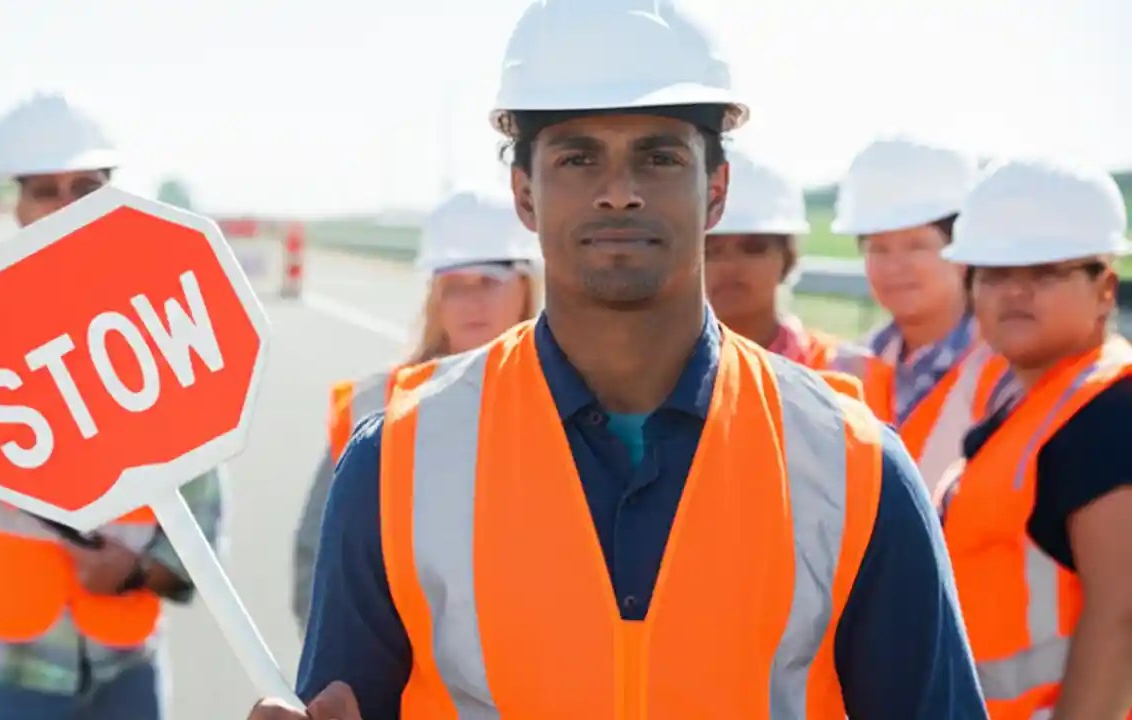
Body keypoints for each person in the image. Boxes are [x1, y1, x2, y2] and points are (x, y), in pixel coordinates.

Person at [251, 1, 986, 717]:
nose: (619, 193)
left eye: (659, 157)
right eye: (577, 158)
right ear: (524, 194)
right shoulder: (396, 463)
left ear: (718, 189)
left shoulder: (852, 468)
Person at [0, 93, 225, 720]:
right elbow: (2, 456)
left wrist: (139, 570)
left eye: (85, 187)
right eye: (45, 190)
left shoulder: (159, 323)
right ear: (18, 203)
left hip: (123, 662)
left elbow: (201, 491)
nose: (65, 207)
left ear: (113, 194)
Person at [292, 190, 542, 630]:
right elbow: (319, 559)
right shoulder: (374, 407)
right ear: (434, 298)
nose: (472, 301)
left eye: (488, 281)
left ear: (526, 286)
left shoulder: (573, 403)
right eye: (454, 286)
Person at [937, 158, 1132, 719]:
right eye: (994, 273)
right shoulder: (1024, 407)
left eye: (1046, 271)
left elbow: (1120, 614)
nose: (1015, 291)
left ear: (1105, 289)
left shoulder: (1110, 413)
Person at [834, 135, 1007, 494]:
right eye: (878, 248)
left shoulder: (1006, 368)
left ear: (962, 251)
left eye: (916, 246)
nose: (895, 266)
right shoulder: (847, 366)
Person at [705, 143, 890, 416]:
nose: (731, 266)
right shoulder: (655, 375)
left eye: (754, 248)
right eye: (709, 250)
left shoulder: (850, 372)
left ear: (787, 257)